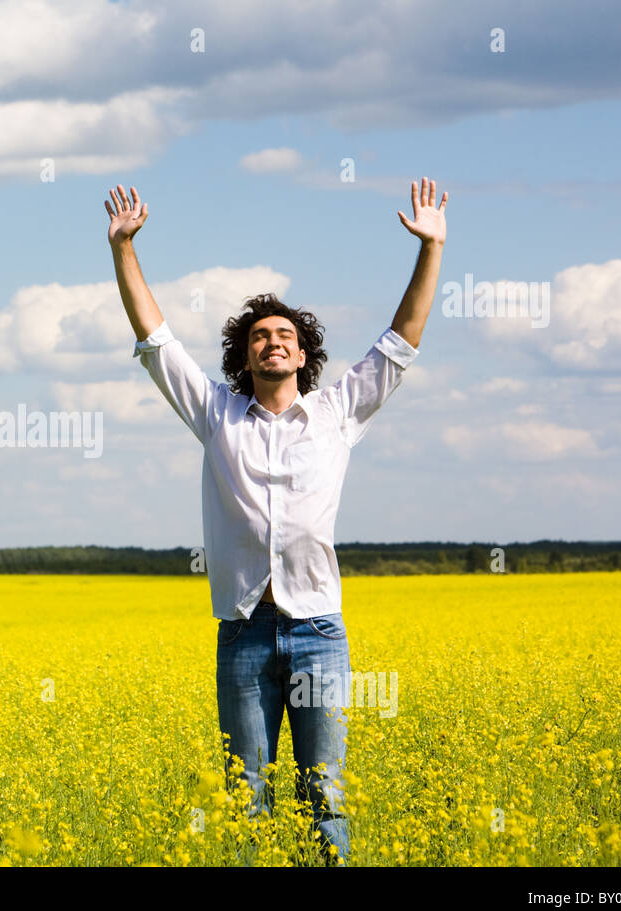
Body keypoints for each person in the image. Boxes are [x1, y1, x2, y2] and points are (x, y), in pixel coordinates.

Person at [105, 178, 447, 865]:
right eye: (260, 337)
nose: (273, 344)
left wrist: (431, 248)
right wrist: (123, 249)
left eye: (285, 336)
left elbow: (401, 342)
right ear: (245, 354)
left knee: (326, 797)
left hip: (319, 630)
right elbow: (156, 339)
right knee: (246, 798)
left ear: (303, 352)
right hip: (244, 635)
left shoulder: (337, 412)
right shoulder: (216, 415)